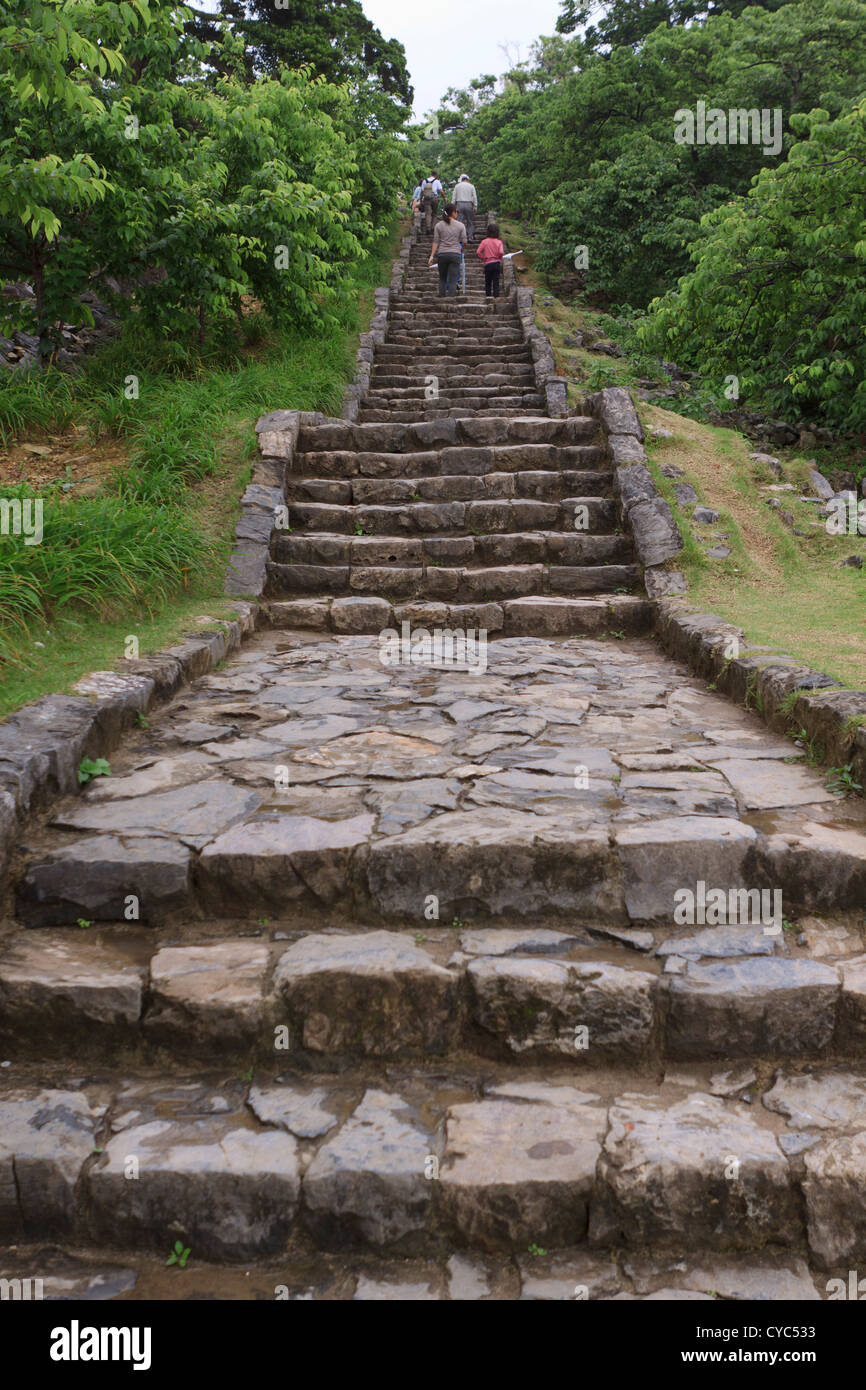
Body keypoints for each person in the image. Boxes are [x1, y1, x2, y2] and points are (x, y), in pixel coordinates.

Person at [429, 204, 467, 297]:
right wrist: (462, 250)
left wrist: (432, 256)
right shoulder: (460, 225)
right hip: (455, 254)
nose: (457, 213)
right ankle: (451, 299)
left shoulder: (438, 225)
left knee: (442, 278)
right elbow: (464, 241)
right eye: (456, 211)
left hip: (442, 254)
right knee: (453, 279)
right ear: (453, 212)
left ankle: (441, 296)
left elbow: (435, 241)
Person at [476, 222, 505, 298]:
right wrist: (499, 258)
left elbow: (478, 252)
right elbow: (501, 252)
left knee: (488, 282)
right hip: (496, 263)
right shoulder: (499, 242)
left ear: (488, 232)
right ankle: (496, 297)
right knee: (496, 281)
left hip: (487, 263)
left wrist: (483, 258)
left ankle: (488, 296)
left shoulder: (484, 241)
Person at [451, 173, 477, 241]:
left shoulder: (457, 186)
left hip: (459, 204)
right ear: (467, 180)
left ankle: (460, 238)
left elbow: (454, 197)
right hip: (469, 204)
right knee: (469, 222)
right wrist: (475, 206)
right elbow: (474, 197)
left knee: (459, 222)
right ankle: (470, 237)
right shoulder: (471, 186)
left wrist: (452, 207)